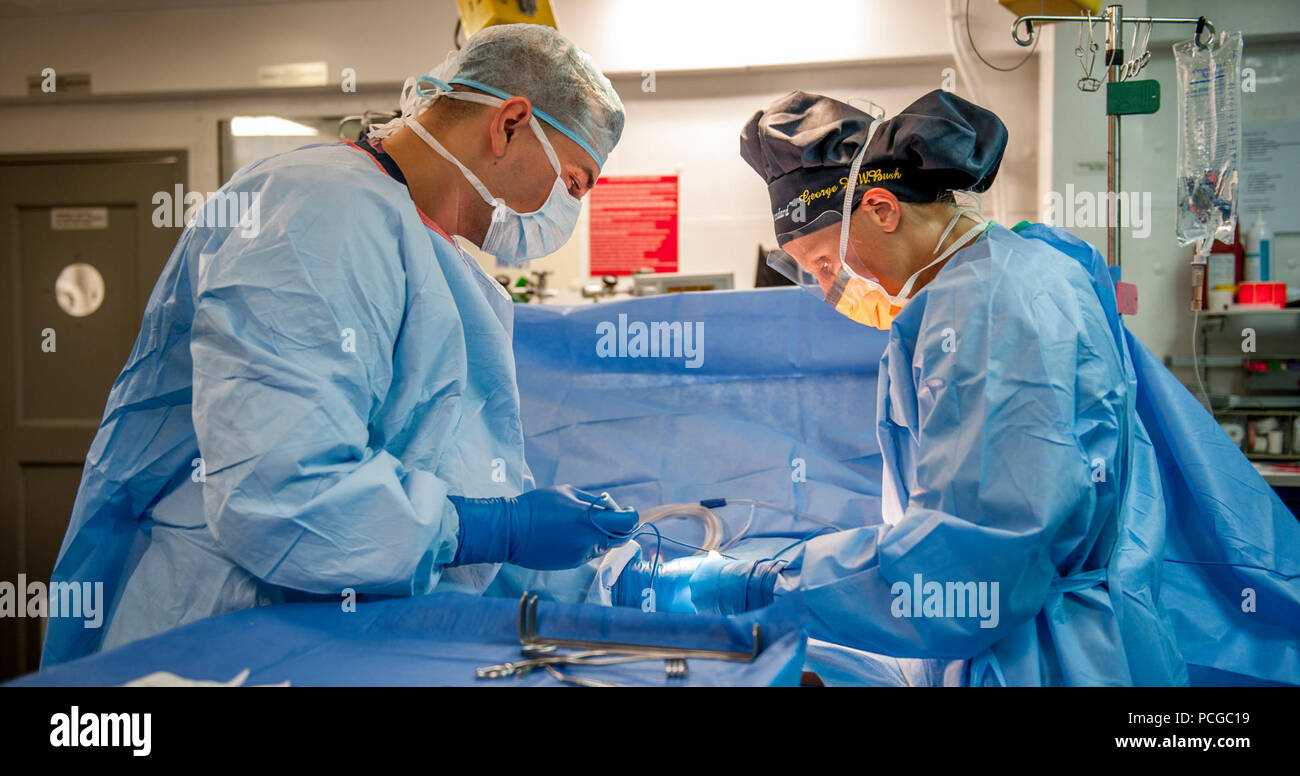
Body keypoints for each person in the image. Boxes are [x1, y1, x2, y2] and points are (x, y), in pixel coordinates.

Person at [612, 89, 1300, 686]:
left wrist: (754, 583)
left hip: (1052, 660)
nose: (826, 293)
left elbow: (966, 561)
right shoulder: (1006, 276)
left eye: (822, 265)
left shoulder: (990, 311)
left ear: (881, 208)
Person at [42, 24, 636, 666]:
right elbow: (282, 496)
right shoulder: (318, 212)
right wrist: (503, 527)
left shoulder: (423, 249)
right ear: (510, 124)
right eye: (574, 184)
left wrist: (616, 576)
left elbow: (444, 479)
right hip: (227, 638)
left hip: (325, 638)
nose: (566, 212)